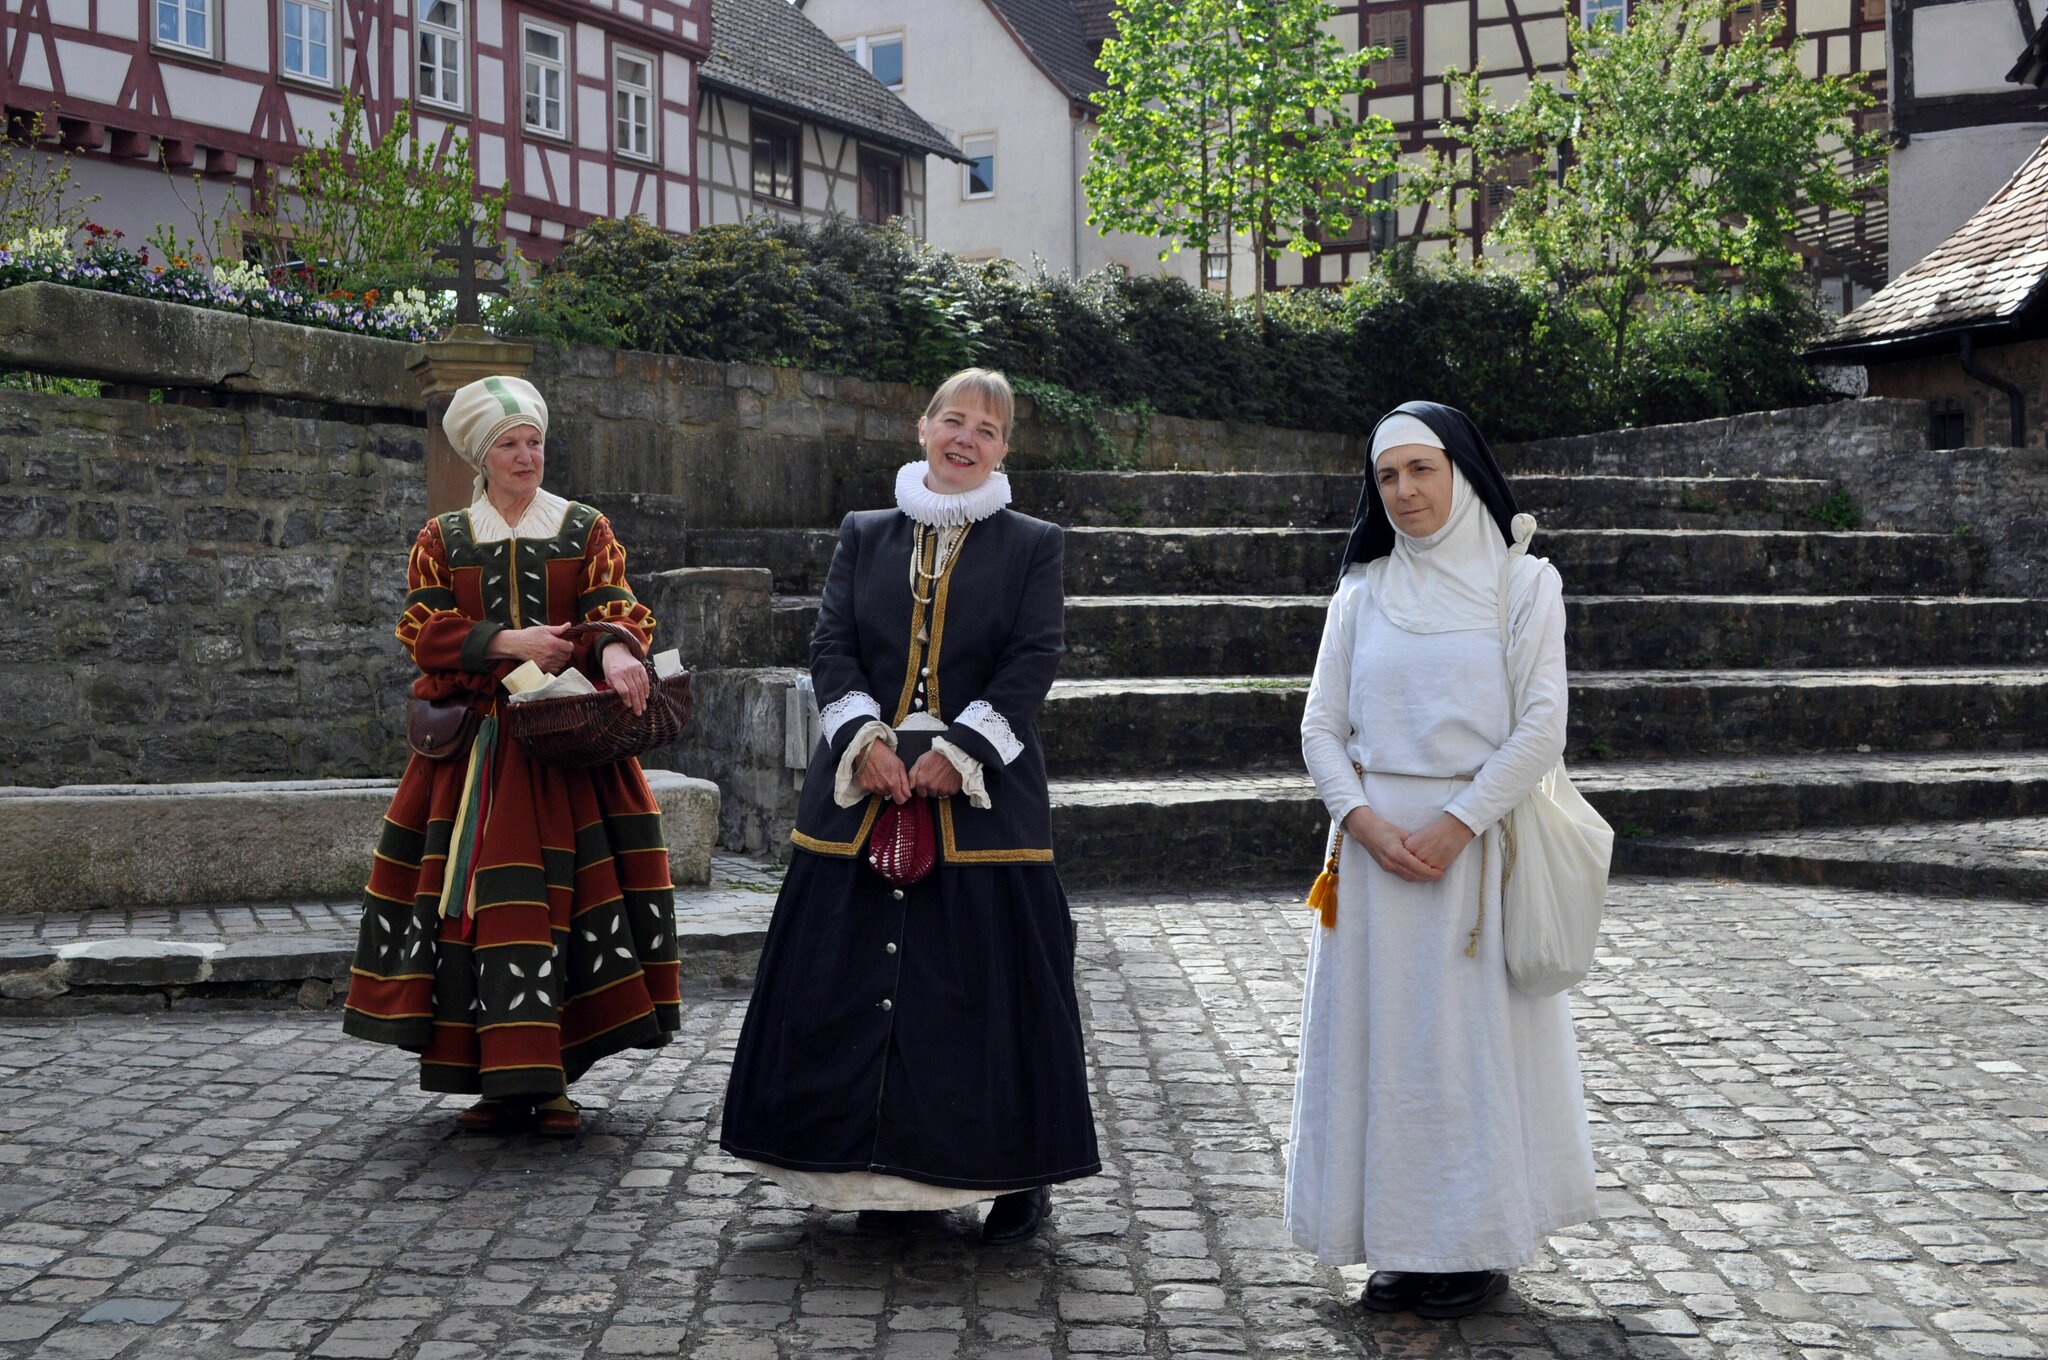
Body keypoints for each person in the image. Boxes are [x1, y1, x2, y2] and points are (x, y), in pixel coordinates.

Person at [720, 367, 1098, 1245]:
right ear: (922, 426)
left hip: (985, 798)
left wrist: (957, 751)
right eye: (953, 421)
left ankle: (1014, 1177)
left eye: (988, 430)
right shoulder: (865, 532)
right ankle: (872, 1178)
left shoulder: (1034, 542)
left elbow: (1033, 659)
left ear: (1005, 449)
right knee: (841, 980)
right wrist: (869, 742)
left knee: (992, 989)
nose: (966, 439)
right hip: (862, 787)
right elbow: (832, 645)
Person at [1285, 401, 1598, 1317]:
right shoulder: (1363, 590)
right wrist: (1364, 822)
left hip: (1472, 856)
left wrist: (1459, 822)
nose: (1405, 492)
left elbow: (1543, 725)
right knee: (1379, 1056)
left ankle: (1468, 1244)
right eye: (1387, 477)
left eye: (1421, 470)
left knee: (1460, 1059)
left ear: (1461, 472)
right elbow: (1319, 726)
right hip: (1373, 858)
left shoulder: (1526, 584)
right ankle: (1392, 1241)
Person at [342, 375, 682, 1138]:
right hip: (477, 758)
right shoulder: (443, 538)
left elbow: (611, 603)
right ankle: (497, 1083)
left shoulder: (584, 527)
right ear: (481, 455)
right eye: (509, 444)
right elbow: (421, 630)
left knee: (567, 904)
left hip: (568, 750)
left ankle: (553, 1080)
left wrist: (622, 649)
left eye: (534, 441)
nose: (526, 455)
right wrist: (508, 641)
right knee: (480, 914)